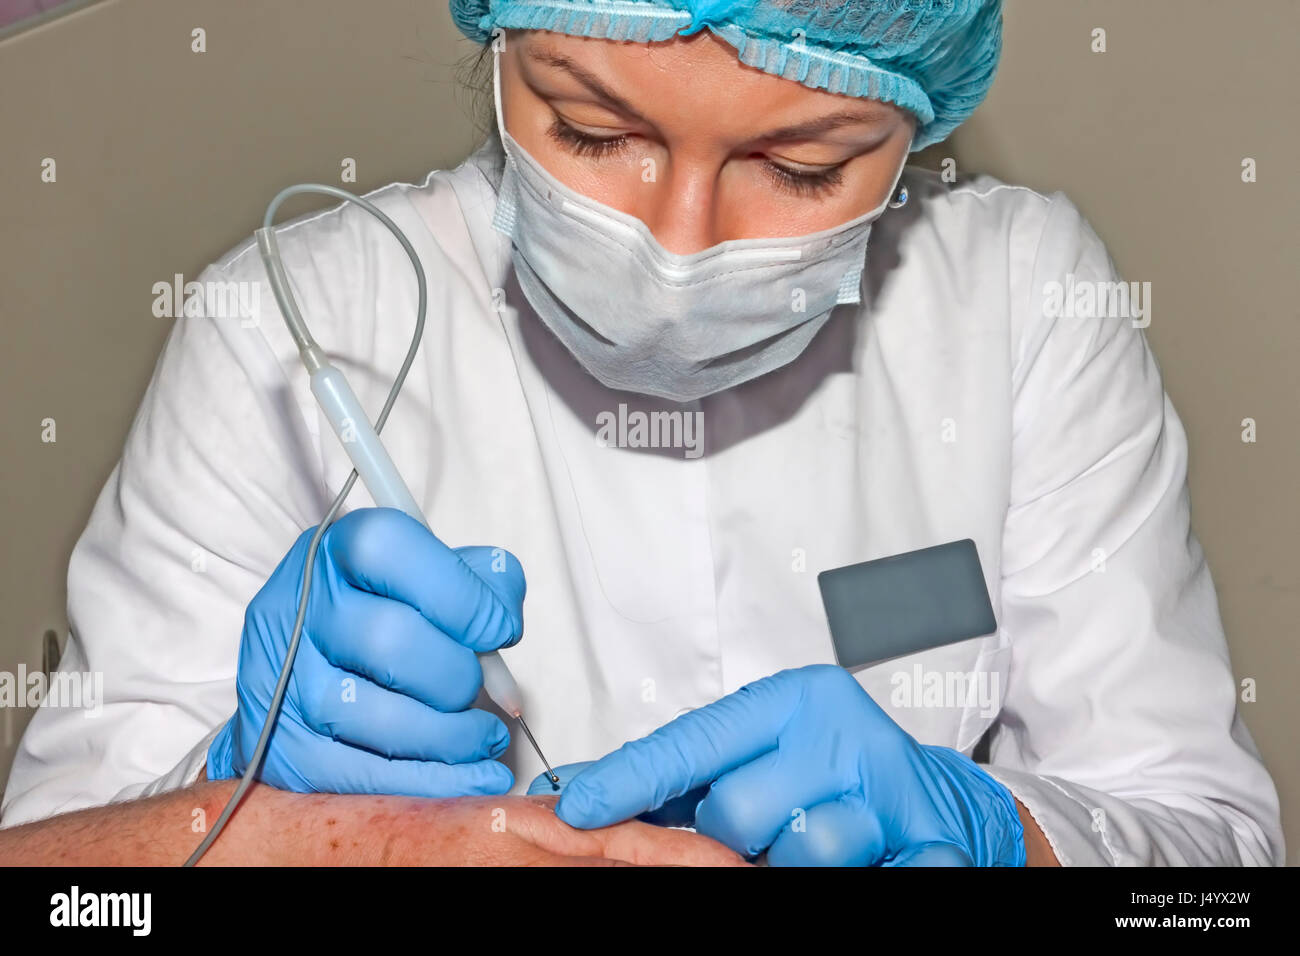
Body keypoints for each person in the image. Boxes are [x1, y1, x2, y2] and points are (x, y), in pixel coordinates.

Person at [1, 1, 1283, 866]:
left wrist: (1005, 834)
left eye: (800, 166)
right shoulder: (291, 325)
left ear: (911, 132)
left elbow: (1215, 873)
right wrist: (251, 802)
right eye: (593, 130)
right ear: (500, 53)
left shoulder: (1021, 297)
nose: (678, 244)